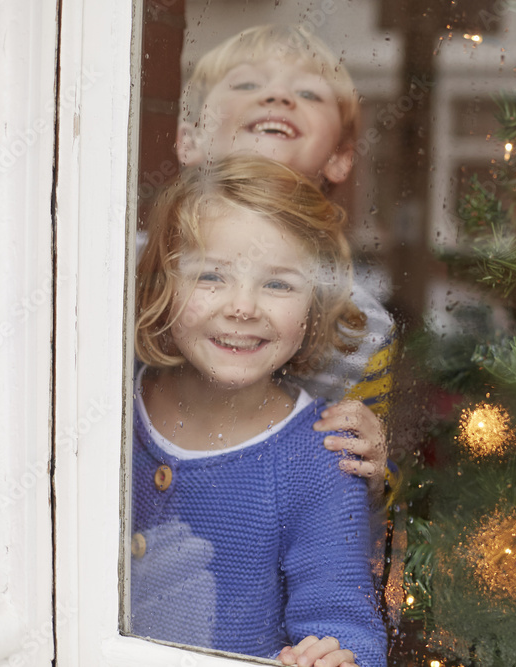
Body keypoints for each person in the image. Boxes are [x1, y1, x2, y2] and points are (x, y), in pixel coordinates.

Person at [131, 155, 386, 667]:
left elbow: (344, 622)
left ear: (313, 306)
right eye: (211, 276)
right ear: (163, 285)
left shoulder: (321, 460)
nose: (243, 307)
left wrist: (334, 658)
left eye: (278, 284)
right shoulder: (101, 405)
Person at [173, 24, 396, 500]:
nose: (277, 96)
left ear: (340, 156)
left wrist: (375, 470)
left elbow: (362, 504)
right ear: (189, 139)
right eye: (249, 84)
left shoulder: (361, 327)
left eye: (307, 93)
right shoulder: (123, 265)